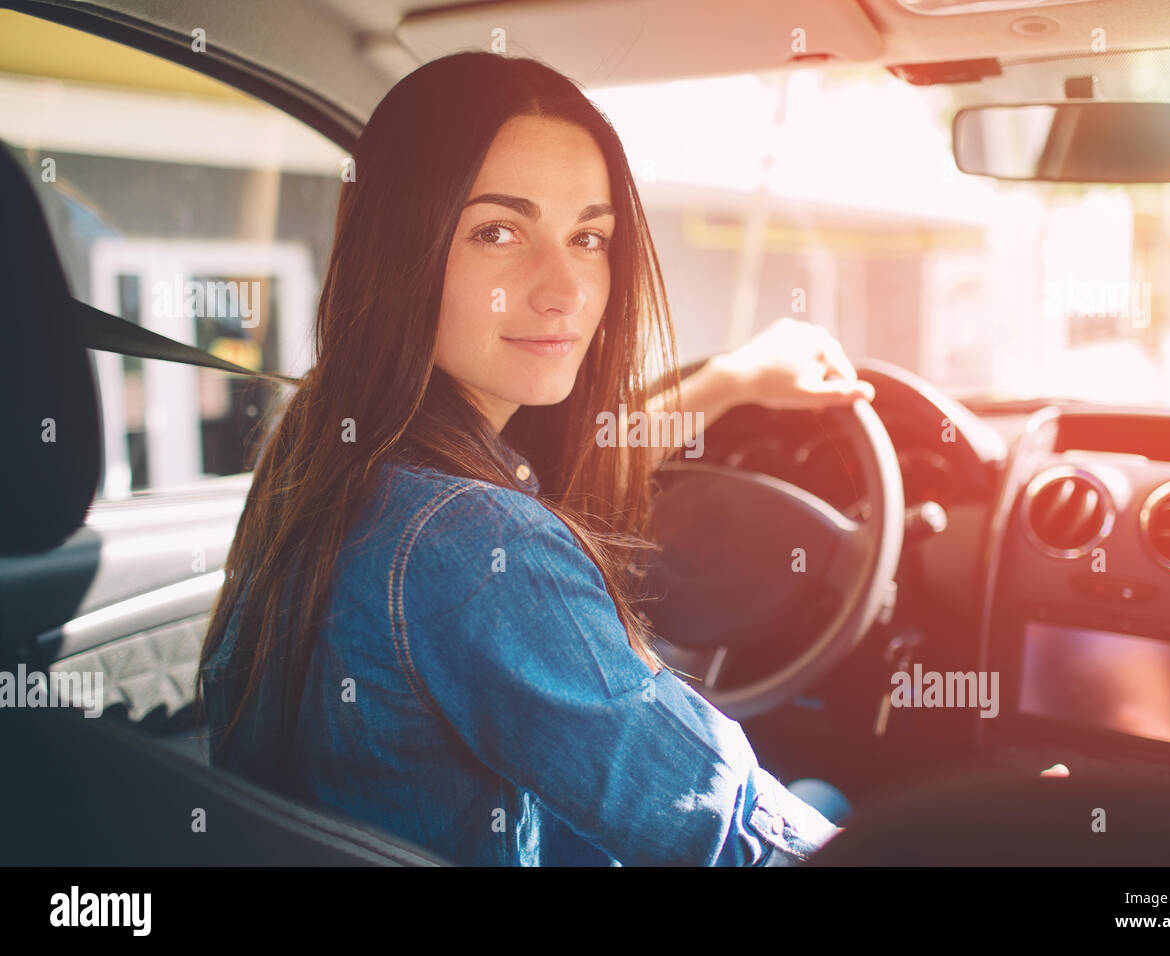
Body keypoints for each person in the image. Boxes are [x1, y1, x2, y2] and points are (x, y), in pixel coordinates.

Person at [197, 50, 872, 867]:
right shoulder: (479, 546)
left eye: (589, 237)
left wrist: (730, 383)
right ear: (400, 248)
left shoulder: (320, 447)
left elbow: (587, 471)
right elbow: (723, 830)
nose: (566, 290)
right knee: (833, 803)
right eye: (499, 232)